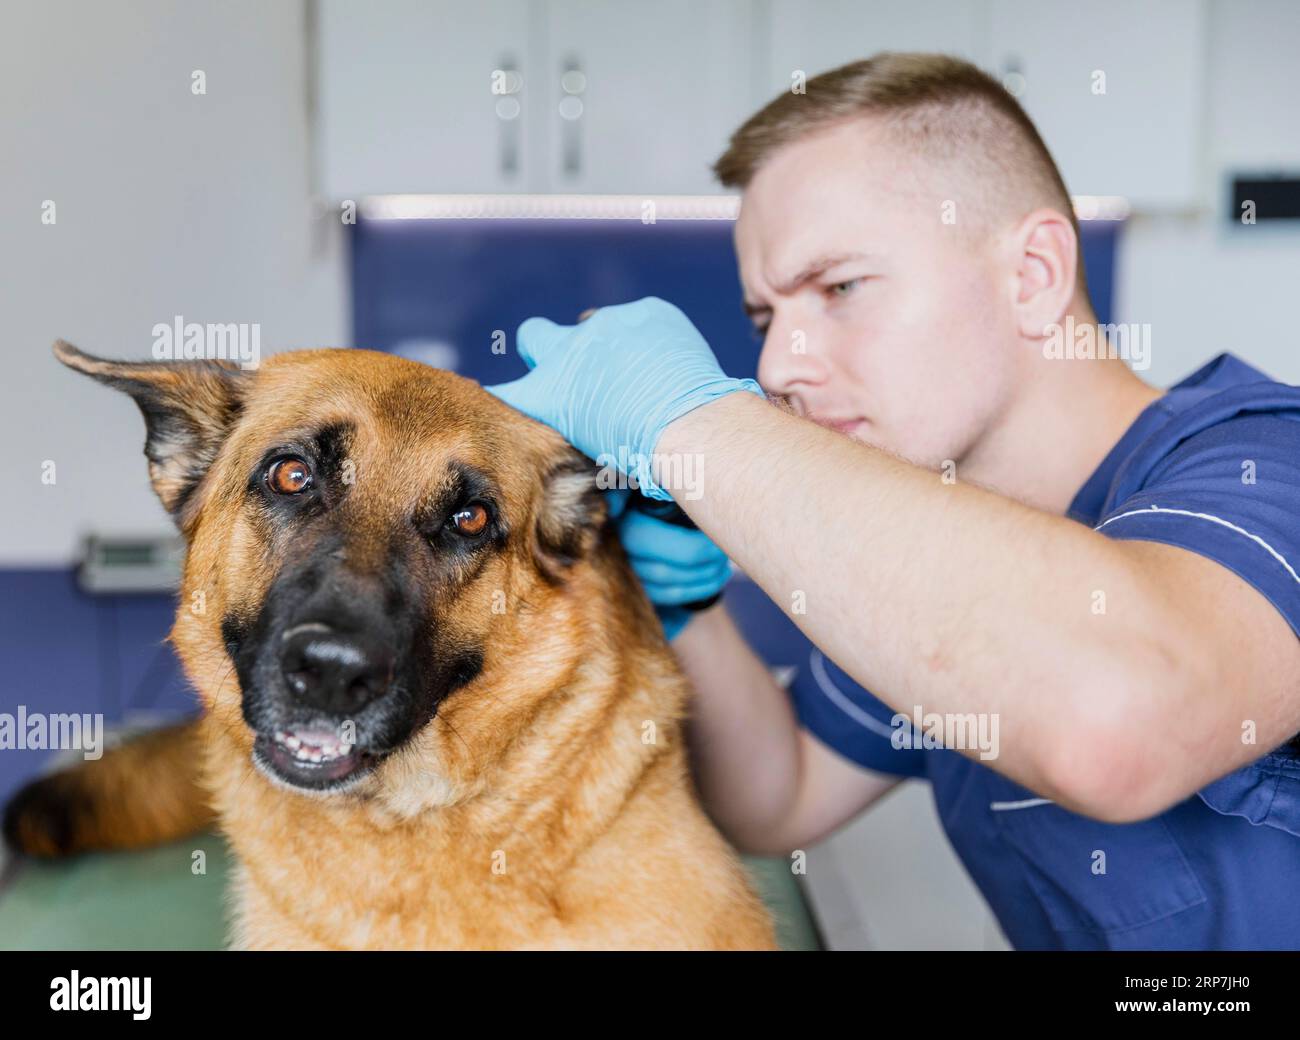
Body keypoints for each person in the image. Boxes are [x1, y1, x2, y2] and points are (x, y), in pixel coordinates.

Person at [488, 53, 1300, 950]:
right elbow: (781, 794)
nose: (775, 367)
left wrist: (686, 422)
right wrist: (688, 614)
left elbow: (1116, 724)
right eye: (765, 319)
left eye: (838, 288)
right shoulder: (926, 545)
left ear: (1032, 274)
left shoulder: (1267, 464)